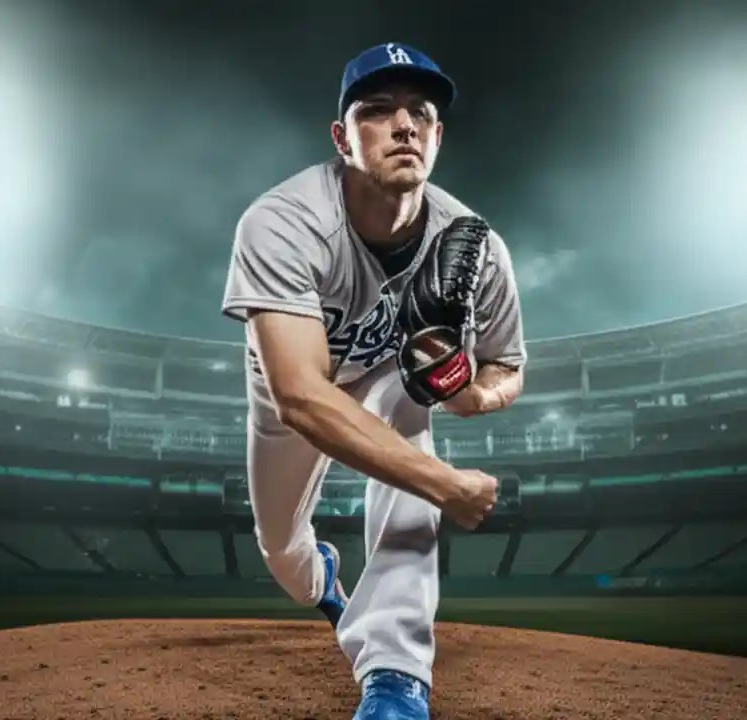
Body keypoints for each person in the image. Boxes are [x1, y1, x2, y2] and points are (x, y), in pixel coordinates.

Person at [220, 41, 526, 719]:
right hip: (294, 394)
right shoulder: (283, 223)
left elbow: (509, 368)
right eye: (378, 110)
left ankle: (395, 673)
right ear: (342, 137)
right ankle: (321, 576)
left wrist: (476, 395)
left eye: (420, 112)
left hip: (390, 377)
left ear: (437, 135)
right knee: (280, 552)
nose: (405, 124)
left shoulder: (476, 246)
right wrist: (447, 486)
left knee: (410, 413)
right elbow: (300, 395)